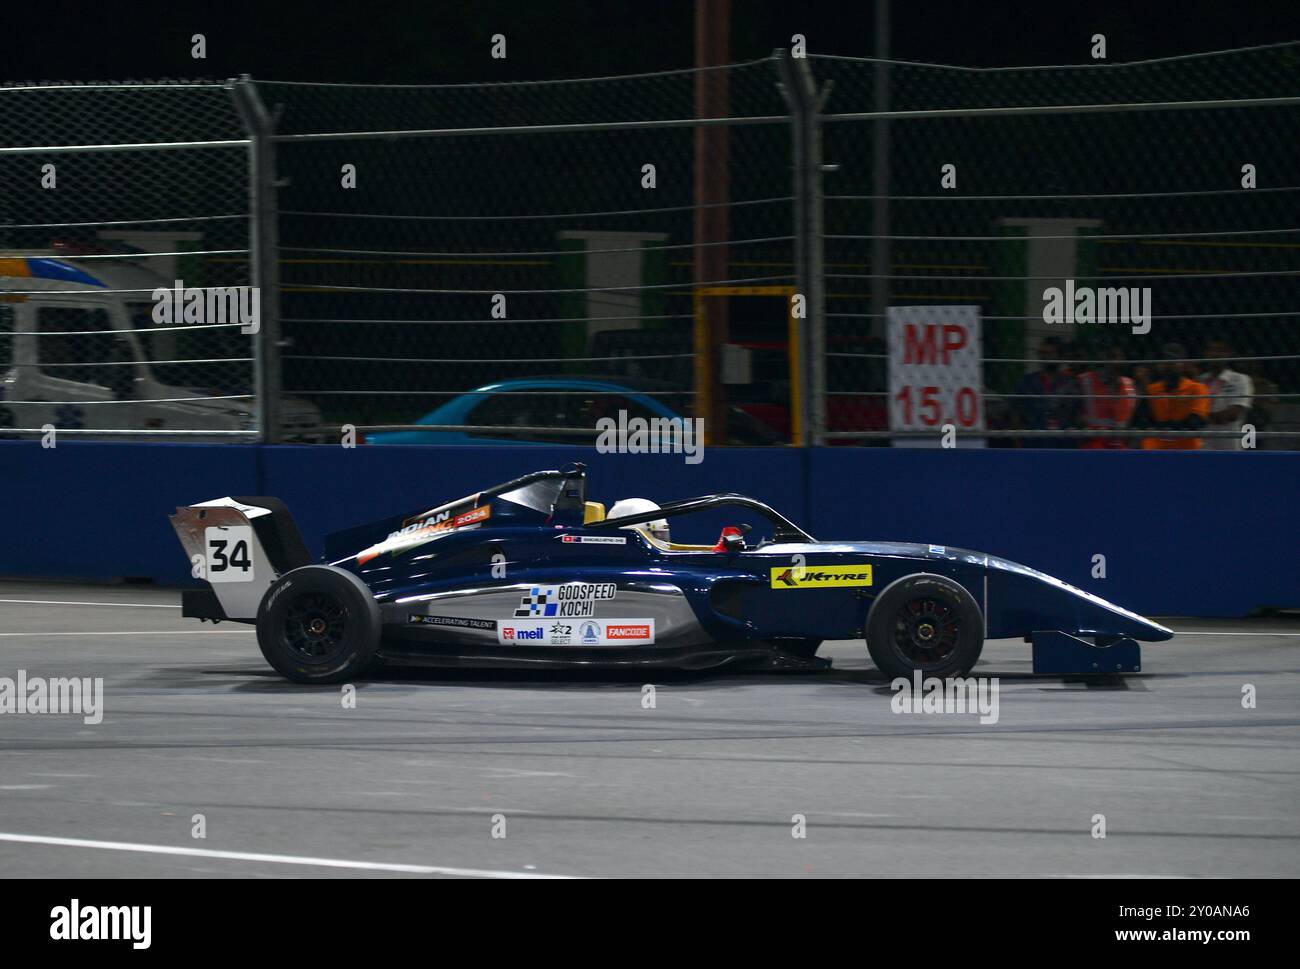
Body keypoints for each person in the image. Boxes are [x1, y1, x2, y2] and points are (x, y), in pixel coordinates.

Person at [1137, 343, 1210, 450]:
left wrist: (1160, 426)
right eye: (1164, 361)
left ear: (1183, 364)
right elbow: (1141, 421)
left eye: (1172, 360)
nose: (1167, 364)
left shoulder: (1197, 388)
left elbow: (1196, 421)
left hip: (1186, 447)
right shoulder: (1151, 389)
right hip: (1156, 447)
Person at [1013, 336, 1081, 448]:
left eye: (1050, 353)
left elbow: (1078, 418)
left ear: (1060, 356)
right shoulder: (1027, 382)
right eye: (1042, 353)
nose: (1045, 357)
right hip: (1033, 445)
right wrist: (1018, 446)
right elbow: (1015, 416)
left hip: (1064, 446)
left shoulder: (1072, 385)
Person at [1197, 339, 1254, 451]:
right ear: (1205, 354)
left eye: (1220, 350)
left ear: (1228, 353)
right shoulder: (1200, 380)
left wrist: (1199, 417)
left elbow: (1232, 415)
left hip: (1229, 444)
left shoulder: (1240, 380)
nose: (1215, 354)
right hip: (1203, 443)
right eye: (1211, 350)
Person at [1076, 344, 1137, 449]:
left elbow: (1132, 421)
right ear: (1103, 359)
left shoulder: (1130, 385)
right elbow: (1073, 413)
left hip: (1120, 447)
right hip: (1093, 446)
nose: (1116, 361)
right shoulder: (1086, 381)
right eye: (1112, 356)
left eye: (1120, 357)